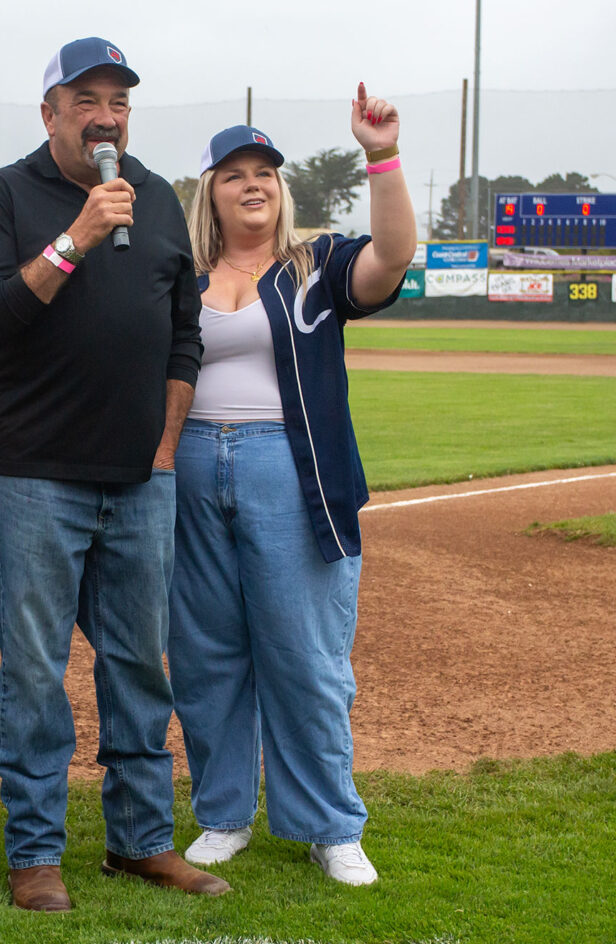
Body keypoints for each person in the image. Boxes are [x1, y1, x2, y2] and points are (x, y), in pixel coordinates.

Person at [0, 37, 230, 911]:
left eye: (118, 98)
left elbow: (183, 332)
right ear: (51, 113)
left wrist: (165, 445)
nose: (105, 114)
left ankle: (142, 842)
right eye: (86, 98)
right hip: (37, 476)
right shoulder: (9, 194)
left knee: (138, 668)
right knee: (36, 674)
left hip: (141, 478)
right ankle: (36, 853)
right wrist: (77, 235)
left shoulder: (157, 197)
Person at [168, 86, 416, 887]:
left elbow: (394, 258)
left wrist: (382, 156)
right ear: (209, 188)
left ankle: (330, 826)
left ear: (282, 188)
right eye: (235, 171)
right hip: (192, 467)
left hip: (292, 472)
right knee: (206, 657)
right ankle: (224, 816)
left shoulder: (318, 263)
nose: (253, 182)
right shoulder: (180, 276)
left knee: (307, 660)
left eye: (266, 172)